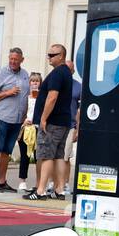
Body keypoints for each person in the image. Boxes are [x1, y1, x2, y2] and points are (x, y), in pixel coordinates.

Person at [26, 44, 73, 201]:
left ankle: (41, 190)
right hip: (63, 121)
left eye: (52, 55)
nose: (49, 57)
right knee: (59, 156)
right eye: (48, 54)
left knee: (46, 155)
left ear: (61, 56)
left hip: (53, 122)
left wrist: (44, 118)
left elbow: (52, 97)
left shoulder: (58, 73)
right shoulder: (66, 72)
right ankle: (59, 189)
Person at [0, 47, 29, 192]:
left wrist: (25, 114)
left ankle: (2, 181)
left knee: (6, 152)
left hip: (17, 120)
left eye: (16, 59)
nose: (13, 61)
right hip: (3, 117)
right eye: (11, 59)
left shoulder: (25, 75)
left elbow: (26, 96)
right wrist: (8, 92)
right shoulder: (0, 74)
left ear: (22, 60)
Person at [16, 71, 40, 192]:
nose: (35, 83)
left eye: (37, 81)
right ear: (29, 83)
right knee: (25, 156)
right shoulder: (25, 97)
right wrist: (24, 122)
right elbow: (21, 112)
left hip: (37, 128)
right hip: (26, 128)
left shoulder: (42, 97)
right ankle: (22, 181)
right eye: (33, 81)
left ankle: (39, 183)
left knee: (38, 157)